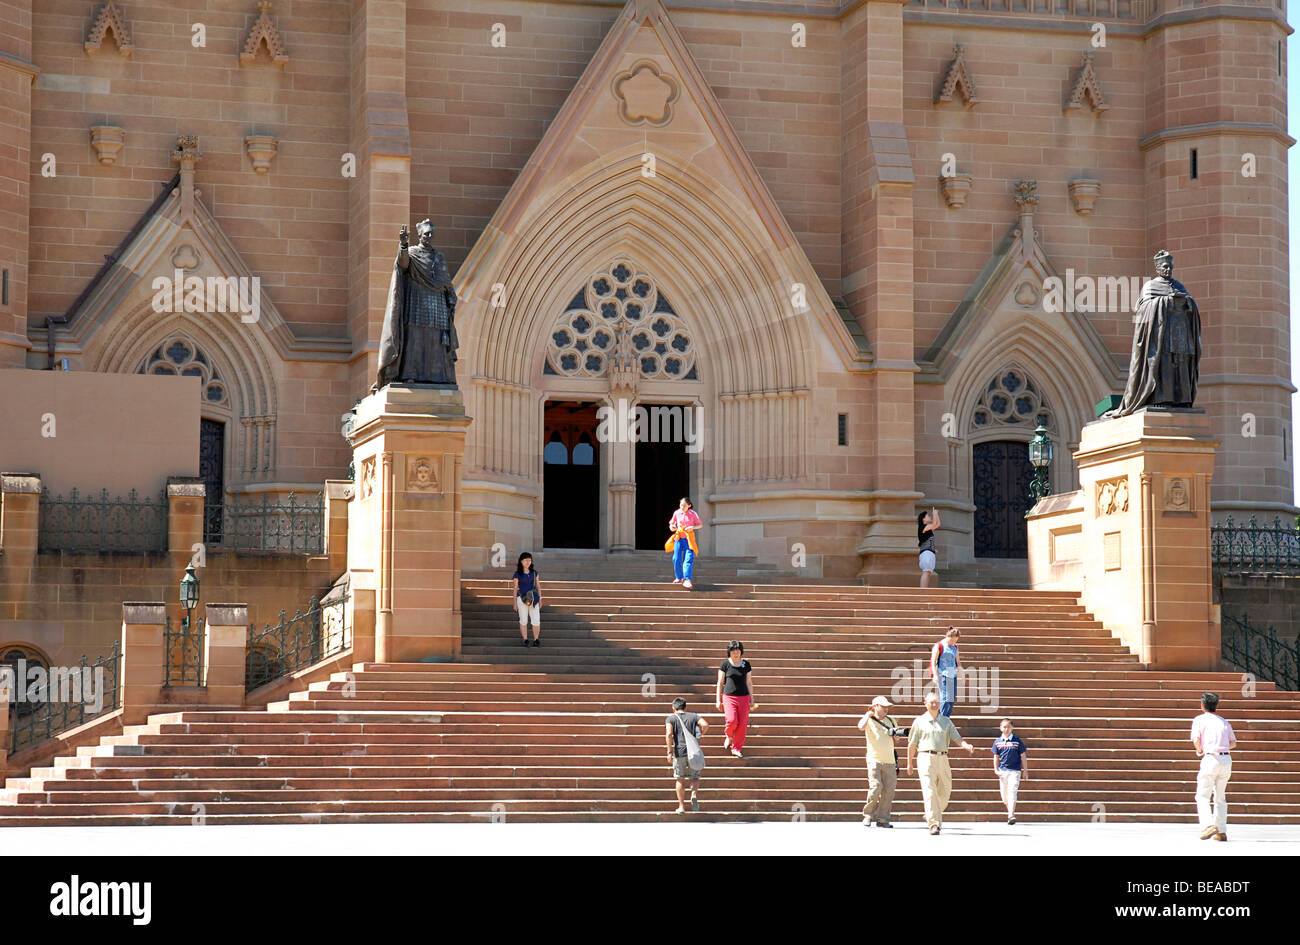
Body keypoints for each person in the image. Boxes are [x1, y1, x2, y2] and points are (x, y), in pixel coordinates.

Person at [906, 691, 976, 835]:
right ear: (925, 704)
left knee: (945, 791)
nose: (934, 704)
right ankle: (934, 823)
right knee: (930, 791)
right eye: (931, 702)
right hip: (925, 757)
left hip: (943, 758)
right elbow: (912, 744)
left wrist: (966, 745)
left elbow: (957, 738)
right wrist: (909, 763)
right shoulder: (919, 721)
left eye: (937, 701)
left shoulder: (946, 721)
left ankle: (932, 812)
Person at [1191, 691, 1236, 841]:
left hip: (1210, 758)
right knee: (1220, 796)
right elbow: (1233, 743)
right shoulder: (1224, 721)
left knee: (1203, 795)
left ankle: (1207, 825)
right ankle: (1221, 831)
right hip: (1226, 759)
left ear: (1202, 705)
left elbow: (1196, 739)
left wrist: (1199, 750)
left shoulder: (1199, 720)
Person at [858, 695, 905, 827]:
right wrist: (867, 715)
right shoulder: (869, 720)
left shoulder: (891, 720)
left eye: (887, 707)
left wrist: (897, 737)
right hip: (874, 759)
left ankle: (883, 819)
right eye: (883, 707)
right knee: (876, 787)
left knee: (889, 791)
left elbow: (897, 739)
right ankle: (868, 815)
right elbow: (860, 727)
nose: (886, 709)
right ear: (875, 707)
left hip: (890, 760)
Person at [666, 697, 709, 814]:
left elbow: (669, 734)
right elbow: (705, 724)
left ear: (673, 708)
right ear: (685, 707)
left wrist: (669, 751)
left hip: (679, 752)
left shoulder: (671, 718)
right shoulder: (694, 716)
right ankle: (693, 795)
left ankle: (681, 806)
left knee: (680, 778)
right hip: (693, 751)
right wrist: (701, 735)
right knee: (695, 777)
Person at [715, 641, 756, 758]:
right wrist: (718, 700)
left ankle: (736, 748)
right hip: (729, 697)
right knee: (732, 721)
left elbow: (749, 682)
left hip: (744, 697)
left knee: (742, 724)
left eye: (738, 651)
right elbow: (720, 683)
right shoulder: (725, 665)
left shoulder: (746, 665)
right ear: (729, 652)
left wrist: (752, 699)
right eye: (733, 651)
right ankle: (729, 735)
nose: (736, 654)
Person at [990, 718, 1028, 825]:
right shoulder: (998, 742)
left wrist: (1025, 770)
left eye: (1008, 727)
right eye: (1004, 727)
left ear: (1012, 728)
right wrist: (995, 769)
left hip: (1014, 771)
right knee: (1004, 796)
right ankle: (1010, 812)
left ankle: (1011, 815)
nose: (1006, 729)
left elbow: (1023, 756)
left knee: (1012, 791)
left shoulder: (1017, 741)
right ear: (1001, 728)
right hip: (1003, 771)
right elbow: (996, 756)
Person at [666, 497, 703, 590]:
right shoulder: (676, 513)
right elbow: (671, 524)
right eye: (681, 505)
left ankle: (687, 579)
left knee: (688, 559)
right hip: (678, 538)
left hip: (688, 539)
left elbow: (700, 525)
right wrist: (673, 527)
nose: (682, 507)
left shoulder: (693, 514)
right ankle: (679, 577)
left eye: (684, 505)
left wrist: (692, 527)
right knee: (676, 558)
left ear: (689, 506)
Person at [510, 552, 542, 647]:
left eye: (529, 560)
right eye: (525, 560)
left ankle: (536, 639)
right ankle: (525, 639)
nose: (528, 562)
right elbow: (515, 588)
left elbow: (538, 586)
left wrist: (540, 600)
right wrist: (514, 602)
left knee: (536, 620)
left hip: (533, 599)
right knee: (523, 620)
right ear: (521, 561)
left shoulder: (534, 573)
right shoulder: (517, 574)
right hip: (522, 599)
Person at [929, 627, 962, 717]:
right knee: (945, 697)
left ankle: (946, 717)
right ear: (948, 637)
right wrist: (935, 675)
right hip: (942, 674)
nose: (953, 642)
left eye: (955, 640)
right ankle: (942, 718)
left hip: (952, 674)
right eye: (952, 640)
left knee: (951, 698)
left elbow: (957, 661)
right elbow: (933, 661)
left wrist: (961, 672)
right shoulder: (939, 645)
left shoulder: (955, 647)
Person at [918, 507, 940, 588]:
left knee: (928, 572)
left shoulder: (928, 528)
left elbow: (937, 524)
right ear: (923, 519)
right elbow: (934, 524)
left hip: (930, 552)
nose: (929, 517)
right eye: (928, 516)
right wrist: (934, 514)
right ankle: (923, 590)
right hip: (926, 552)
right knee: (926, 572)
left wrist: (936, 514)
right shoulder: (923, 527)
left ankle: (924, 590)